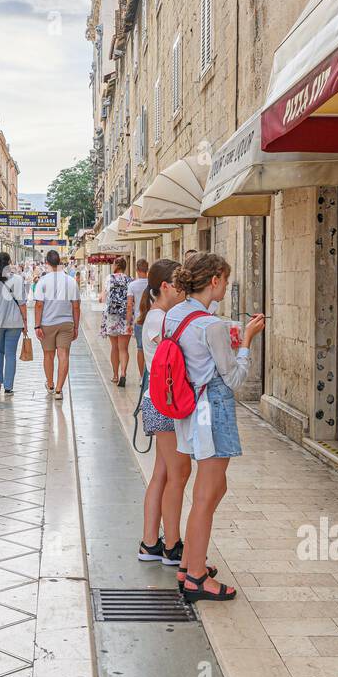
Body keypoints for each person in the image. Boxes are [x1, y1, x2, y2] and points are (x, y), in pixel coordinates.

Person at [164, 253, 265, 603]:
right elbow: (234, 378)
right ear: (216, 280)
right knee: (207, 496)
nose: (228, 284)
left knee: (214, 489)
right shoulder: (213, 326)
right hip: (213, 410)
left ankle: (189, 561)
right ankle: (195, 577)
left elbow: (195, 359)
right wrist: (248, 341)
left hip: (188, 410)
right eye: (227, 278)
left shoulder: (174, 316)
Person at [133, 258, 194, 572]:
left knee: (162, 473)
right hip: (165, 404)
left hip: (156, 401)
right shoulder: (160, 320)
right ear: (166, 287)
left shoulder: (157, 316)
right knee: (177, 473)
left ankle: (150, 542)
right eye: (179, 283)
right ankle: (171, 545)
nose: (184, 290)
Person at [33, 249, 81, 400]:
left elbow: (39, 305)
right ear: (60, 262)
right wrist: (76, 326)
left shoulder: (43, 281)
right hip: (66, 323)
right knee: (63, 355)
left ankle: (51, 384)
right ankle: (59, 390)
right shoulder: (70, 281)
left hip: (47, 323)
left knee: (48, 355)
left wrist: (37, 325)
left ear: (47, 263)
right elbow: (76, 306)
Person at [0, 252, 29, 396]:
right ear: (9, 263)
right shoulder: (18, 280)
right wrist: (25, 322)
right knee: (10, 354)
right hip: (14, 323)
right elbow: (22, 304)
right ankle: (8, 386)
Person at [100, 256, 132, 387]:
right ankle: (123, 373)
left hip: (112, 316)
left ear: (115, 266)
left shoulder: (109, 278)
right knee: (123, 348)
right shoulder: (130, 280)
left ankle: (115, 375)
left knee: (114, 347)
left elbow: (102, 298)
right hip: (125, 316)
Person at [126, 259, 150, 381]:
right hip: (151, 319)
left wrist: (128, 323)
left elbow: (129, 305)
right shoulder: (152, 283)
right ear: (147, 269)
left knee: (140, 348)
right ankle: (150, 375)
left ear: (137, 270)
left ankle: (142, 377)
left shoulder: (132, 285)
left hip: (139, 320)